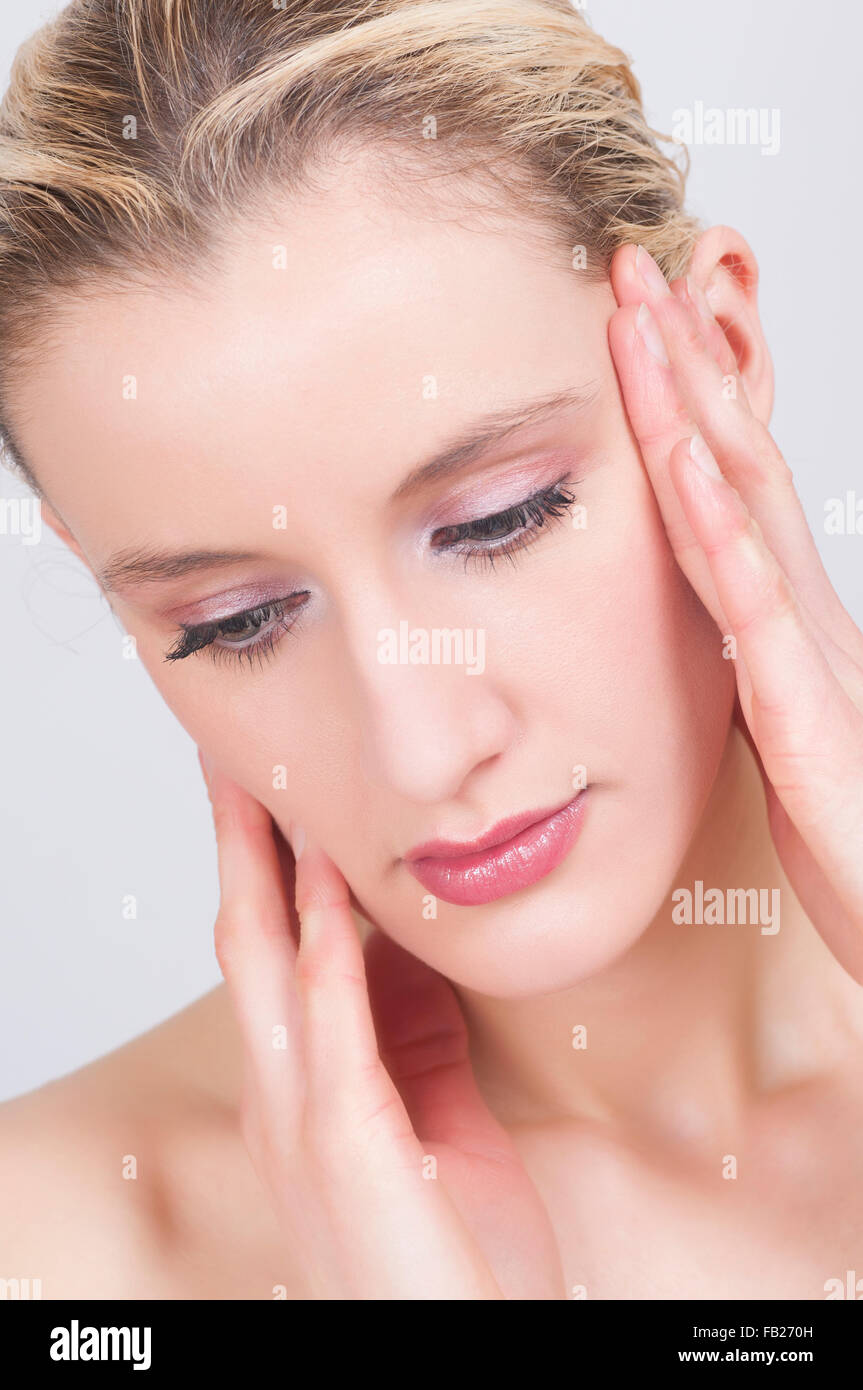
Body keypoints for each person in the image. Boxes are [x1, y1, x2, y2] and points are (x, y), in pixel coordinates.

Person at [1, 0, 862, 1300]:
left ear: (717, 361)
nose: (420, 746)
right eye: (234, 621)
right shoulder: (62, 1249)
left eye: (500, 518)